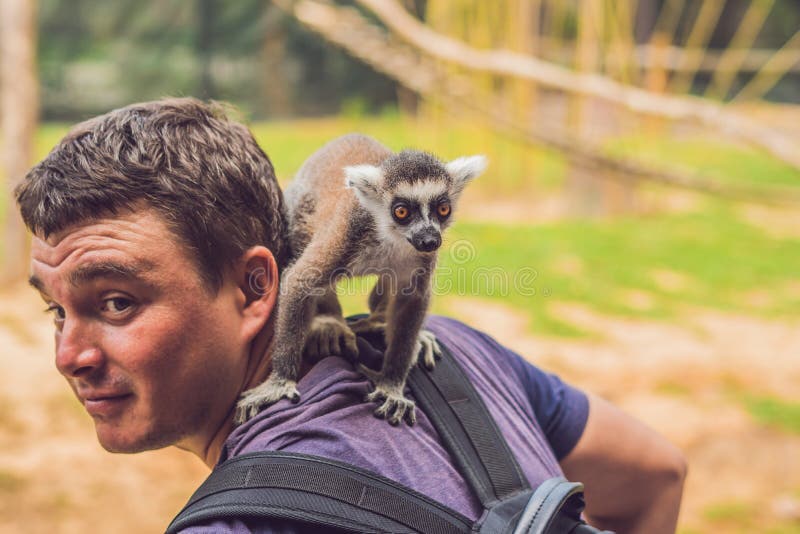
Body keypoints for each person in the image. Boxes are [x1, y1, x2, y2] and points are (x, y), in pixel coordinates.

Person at [16, 98, 686, 533]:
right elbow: (658, 474)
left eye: (116, 303)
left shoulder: (240, 525)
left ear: (255, 289)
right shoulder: (465, 356)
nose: (69, 355)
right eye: (57, 312)